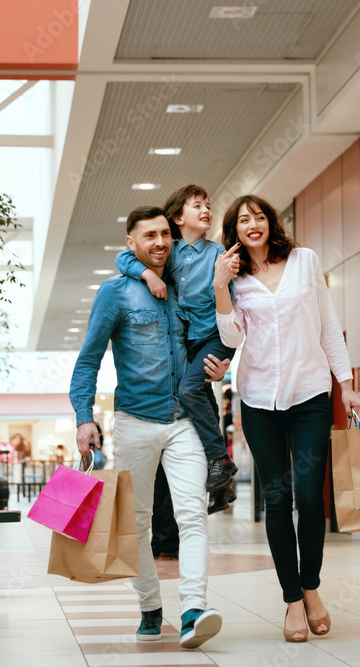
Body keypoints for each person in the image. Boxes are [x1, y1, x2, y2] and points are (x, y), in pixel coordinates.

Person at [71, 206, 229, 649]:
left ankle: (194, 608)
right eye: (149, 236)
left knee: (192, 515)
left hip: (185, 422)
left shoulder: (184, 285)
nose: (160, 242)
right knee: (137, 523)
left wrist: (220, 367)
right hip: (135, 421)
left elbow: (215, 334)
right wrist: (84, 417)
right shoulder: (116, 293)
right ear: (131, 243)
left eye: (165, 234)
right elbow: (88, 359)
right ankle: (149, 607)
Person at [213, 194, 360, 643]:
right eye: (243, 220)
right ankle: (293, 600)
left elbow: (327, 325)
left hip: (311, 392)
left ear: (270, 222)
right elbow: (231, 337)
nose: (252, 224)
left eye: (258, 217)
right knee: (277, 498)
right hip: (259, 400)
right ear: (235, 232)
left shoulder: (304, 261)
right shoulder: (235, 279)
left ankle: (312, 587)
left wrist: (348, 383)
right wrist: (221, 287)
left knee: (309, 494)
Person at [116, 185, 238, 513]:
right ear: (178, 218)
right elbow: (123, 257)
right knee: (200, 399)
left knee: (188, 390)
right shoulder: (170, 251)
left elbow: (236, 307)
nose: (206, 210)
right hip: (187, 340)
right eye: (197, 205)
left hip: (216, 337)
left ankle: (220, 462)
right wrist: (148, 276)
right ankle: (221, 480)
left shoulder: (219, 255)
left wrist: (228, 356)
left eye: (208, 205)